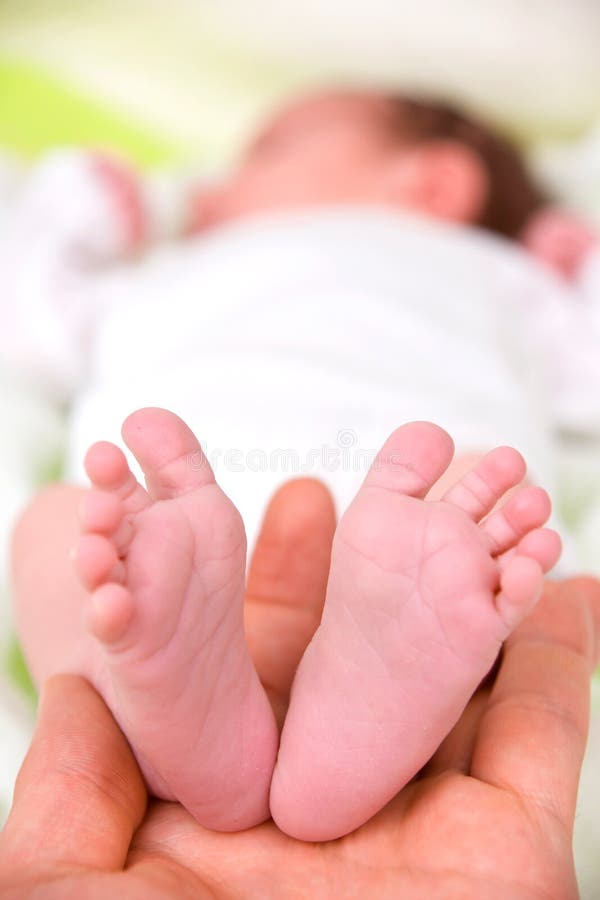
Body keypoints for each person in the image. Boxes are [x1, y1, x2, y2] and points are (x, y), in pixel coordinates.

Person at [4, 88, 599, 839]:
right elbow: (23, 328)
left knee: (485, 513)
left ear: (433, 184)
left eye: (265, 152)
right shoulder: (164, 268)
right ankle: (160, 709)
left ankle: (373, 712)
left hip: (407, 563)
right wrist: (77, 209)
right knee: (61, 525)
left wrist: (575, 262)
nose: (203, 185)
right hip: (175, 551)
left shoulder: (499, 273)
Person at [3, 478, 598, 898]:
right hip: (390, 510)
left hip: (182, 513)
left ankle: (125, 685)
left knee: (53, 523)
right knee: (485, 492)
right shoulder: (517, 306)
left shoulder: (98, 306)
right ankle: (135, 680)